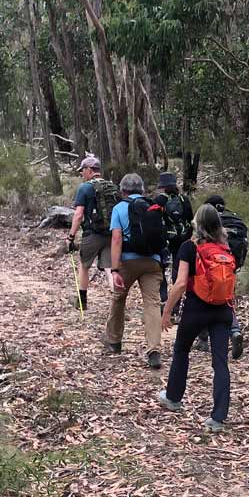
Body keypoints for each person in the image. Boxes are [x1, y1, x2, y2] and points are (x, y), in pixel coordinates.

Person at [157, 204, 235, 432]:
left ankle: (173, 397)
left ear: (197, 224)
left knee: (181, 349)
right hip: (222, 310)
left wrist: (167, 310)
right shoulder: (225, 249)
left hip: (196, 308)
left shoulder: (189, 247)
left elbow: (181, 283)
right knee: (220, 362)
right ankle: (218, 417)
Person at [106, 173, 166, 368]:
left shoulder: (118, 208)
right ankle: (154, 349)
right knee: (152, 303)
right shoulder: (152, 206)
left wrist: (115, 269)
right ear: (142, 190)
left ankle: (114, 341)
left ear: (122, 191)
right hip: (152, 261)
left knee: (118, 297)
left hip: (128, 262)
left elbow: (116, 239)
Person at [68, 155, 117, 311]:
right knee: (110, 268)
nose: (82, 173)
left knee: (84, 266)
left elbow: (78, 214)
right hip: (110, 234)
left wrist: (71, 236)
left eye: (83, 170)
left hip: (92, 234)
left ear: (89, 170)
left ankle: (82, 302)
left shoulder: (85, 188)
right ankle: (117, 302)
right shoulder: (111, 186)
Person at [214, 195, 249, 360]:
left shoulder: (211, 221)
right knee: (227, 300)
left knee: (205, 300)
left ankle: (202, 338)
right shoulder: (234, 219)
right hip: (231, 266)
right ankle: (234, 330)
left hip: (212, 267)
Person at [153, 171, 192, 304]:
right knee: (178, 270)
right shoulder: (184, 200)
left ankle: (164, 299)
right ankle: (177, 301)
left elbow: (153, 219)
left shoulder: (159, 200)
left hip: (164, 240)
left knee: (161, 269)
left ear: (162, 186)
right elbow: (190, 219)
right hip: (181, 239)